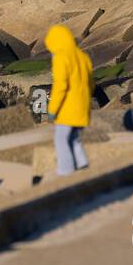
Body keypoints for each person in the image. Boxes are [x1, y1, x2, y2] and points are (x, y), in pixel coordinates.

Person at [45, 24, 93, 176]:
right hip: (83, 105)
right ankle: (82, 163)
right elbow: (91, 83)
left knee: (61, 139)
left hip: (68, 108)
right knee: (74, 138)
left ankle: (66, 171)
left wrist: (52, 109)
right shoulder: (82, 56)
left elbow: (60, 86)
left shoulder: (61, 57)